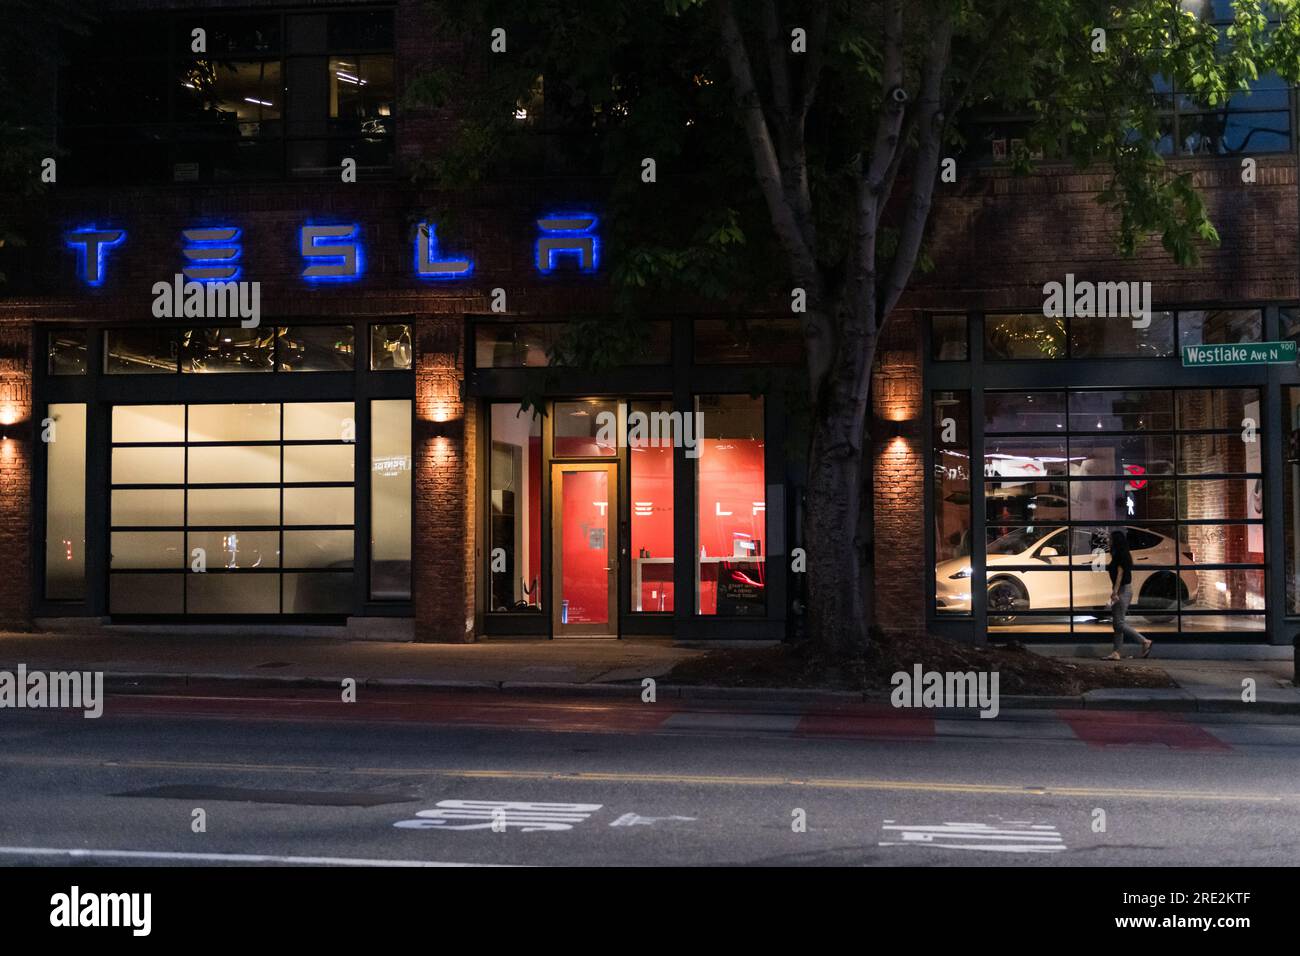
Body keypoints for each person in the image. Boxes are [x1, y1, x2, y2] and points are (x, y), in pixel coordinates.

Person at [1104, 528, 1152, 660]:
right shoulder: (1121, 554)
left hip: (1122, 590)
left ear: (1116, 541)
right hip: (1123, 589)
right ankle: (1116, 652)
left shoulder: (1120, 555)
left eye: (1110, 539)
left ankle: (1144, 641)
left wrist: (1114, 592)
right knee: (1117, 623)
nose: (1108, 541)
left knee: (1119, 623)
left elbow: (1120, 574)